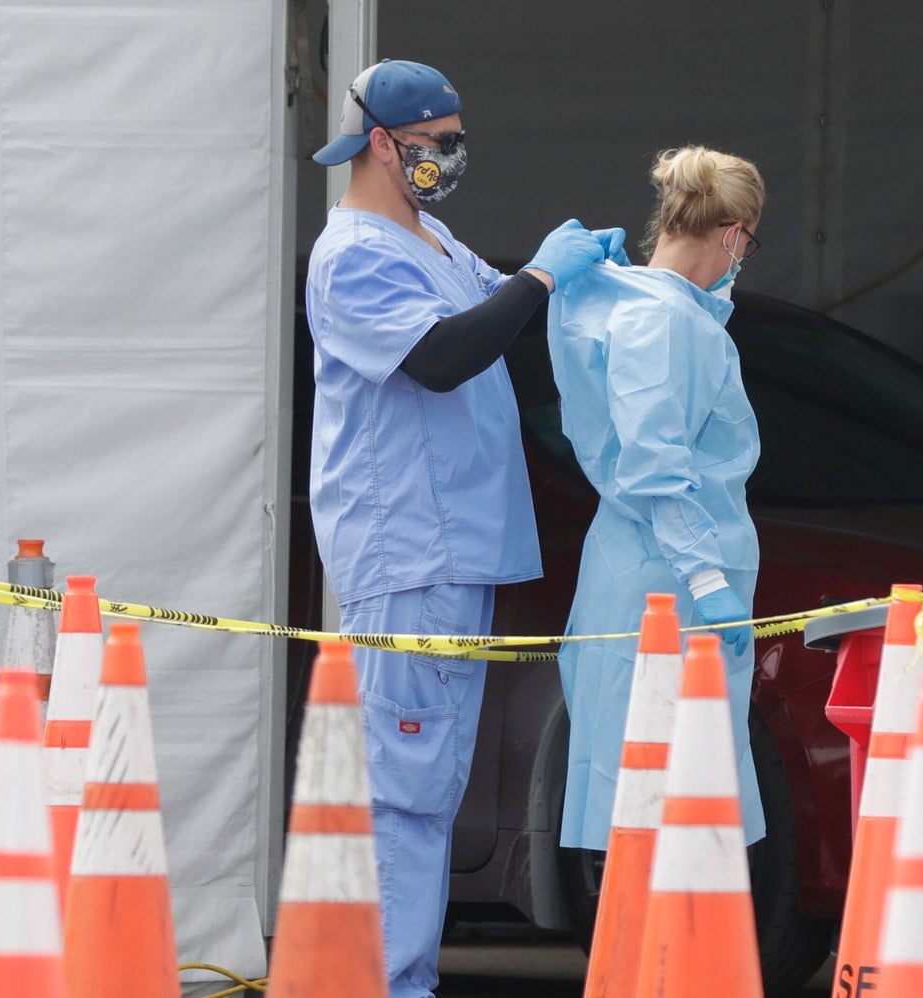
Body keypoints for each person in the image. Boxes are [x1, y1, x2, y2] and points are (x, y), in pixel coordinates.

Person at [303, 58, 622, 998]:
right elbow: (443, 357)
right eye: (435, 145)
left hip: (452, 549)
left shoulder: (428, 235)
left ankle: (404, 976)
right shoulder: (354, 253)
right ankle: (389, 984)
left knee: (430, 784)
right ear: (379, 144)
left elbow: (501, 316)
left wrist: (592, 280)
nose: (450, 158)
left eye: (455, 141)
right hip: (406, 550)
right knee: (403, 789)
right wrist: (536, 273)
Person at [547, 145, 768, 854]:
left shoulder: (635, 309)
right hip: (669, 583)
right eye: (750, 242)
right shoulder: (666, 322)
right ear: (734, 235)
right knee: (662, 799)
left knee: (662, 793)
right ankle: (662, 963)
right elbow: (653, 465)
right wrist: (707, 577)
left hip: (649, 571)